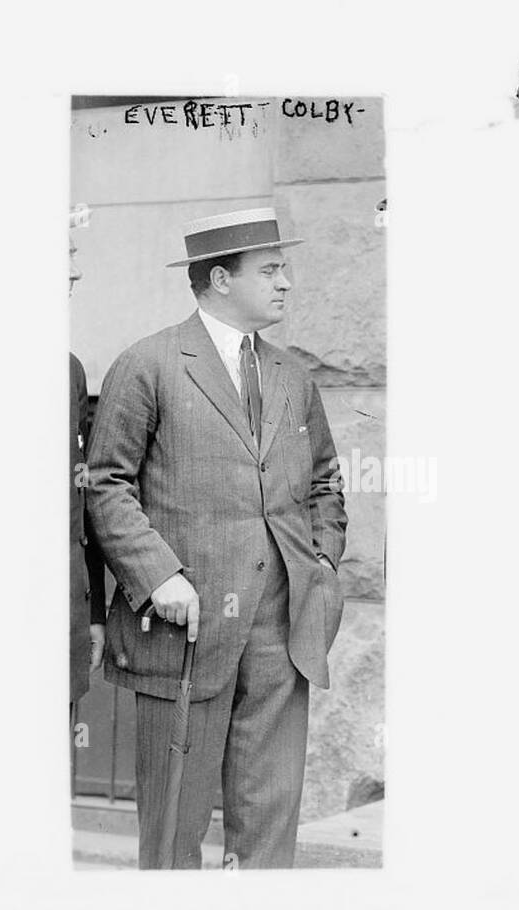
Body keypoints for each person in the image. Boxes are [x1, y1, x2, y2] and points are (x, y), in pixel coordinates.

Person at [86, 207, 348, 870]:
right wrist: (158, 575)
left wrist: (320, 563)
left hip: (282, 630)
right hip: (186, 627)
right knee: (174, 827)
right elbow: (106, 484)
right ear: (221, 279)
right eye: (271, 270)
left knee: (270, 826)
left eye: (282, 268)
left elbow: (326, 483)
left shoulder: (293, 375)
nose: (286, 282)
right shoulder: (147, 365)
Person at [69, 213, 105, 719]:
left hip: (63, 623)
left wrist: (93, 611)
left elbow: (84, 503)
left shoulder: (67, 369)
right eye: (65, 258)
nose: (74, 273)